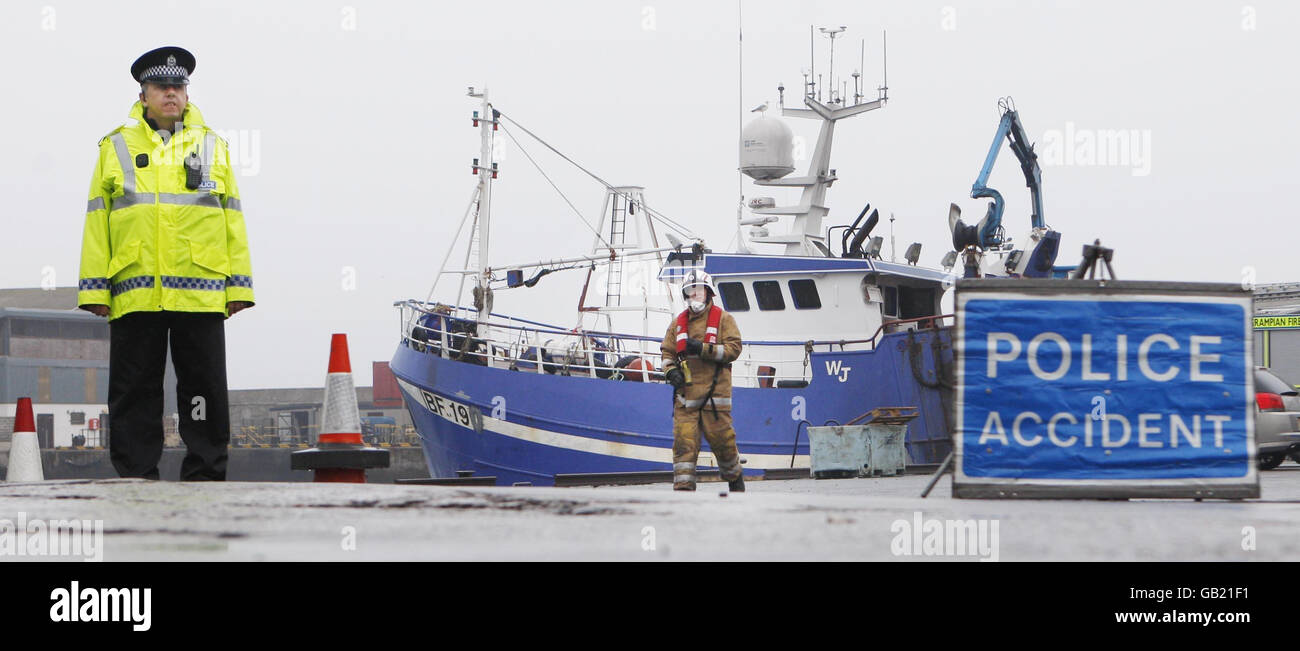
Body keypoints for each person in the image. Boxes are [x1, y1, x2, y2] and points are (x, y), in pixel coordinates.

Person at [77, 46, 255, 480]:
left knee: (204, 390)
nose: (171, 94)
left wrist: (240, 288)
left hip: (203, 291)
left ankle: (206, 475)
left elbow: (232, 216)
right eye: (162, 87)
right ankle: (137, 475)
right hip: (134, 290)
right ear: (144, 95)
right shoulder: (114, 146)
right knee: (135, 390)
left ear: (187, 95)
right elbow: (97, 222)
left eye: (178, 87)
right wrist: (94, 290)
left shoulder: (214, 145)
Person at [659, 270, 745, 492]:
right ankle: (684, 488)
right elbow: (667, 354)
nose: (694, 296)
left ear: (708, 293)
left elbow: (734, 349)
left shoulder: (724, 320)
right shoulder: (677, 324)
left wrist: (703, 349)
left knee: (723, 442)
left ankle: (735, 480)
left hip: (715, 397)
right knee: (683, 443)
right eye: (690, 292)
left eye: (697, 291)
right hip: (686, 397)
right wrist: (671, 372)